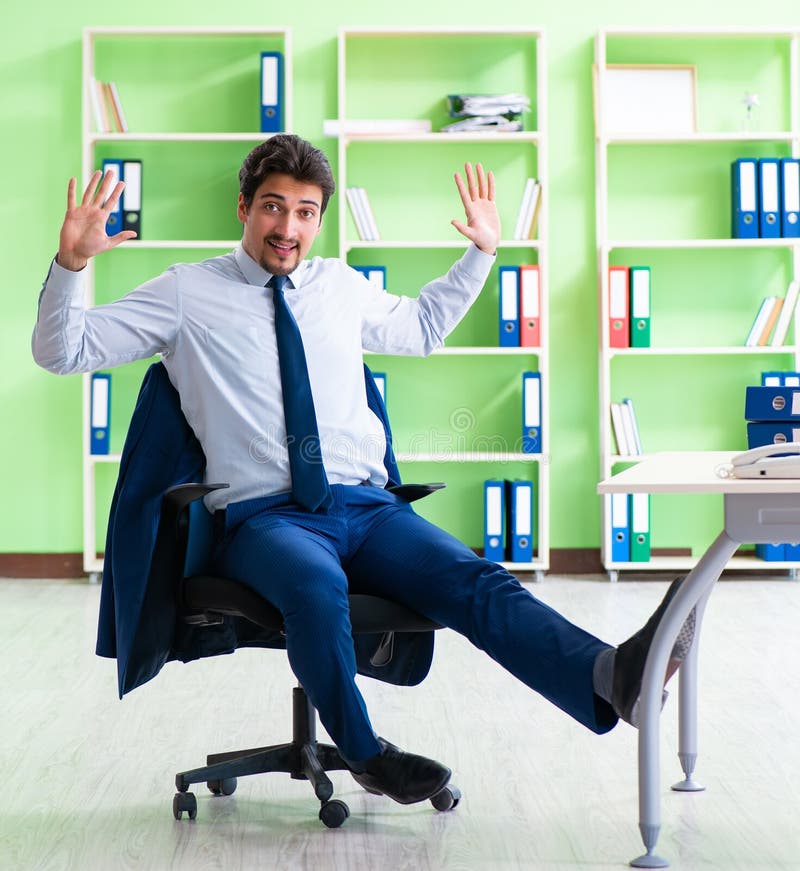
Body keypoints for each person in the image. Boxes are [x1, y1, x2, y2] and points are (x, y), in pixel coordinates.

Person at [33, 133, 694, 806]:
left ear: (319, 219)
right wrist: (72, 264)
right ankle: (366, 751)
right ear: (243, 208)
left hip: (365, 507)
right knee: (315, 587)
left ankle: (614, 676)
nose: (287, 227)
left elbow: (423, 329)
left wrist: (482, 253)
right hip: (266, 516)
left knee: (475, 579)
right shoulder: (185, 292)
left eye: (304, 212)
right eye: (272, 207)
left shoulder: (340, 287)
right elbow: (63, 350)